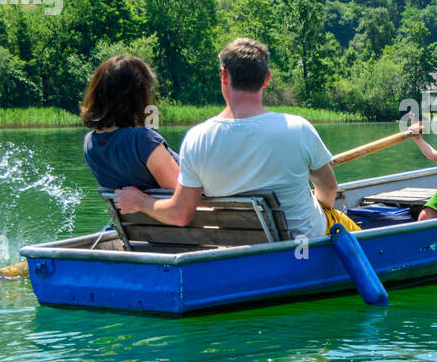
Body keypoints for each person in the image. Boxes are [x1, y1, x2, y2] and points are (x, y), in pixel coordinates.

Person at [114, 38, 340, 239]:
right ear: (266, 78)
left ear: (223, 75)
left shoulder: (196, 139)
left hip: (238, 248)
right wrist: (322, 205)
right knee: (341, 219)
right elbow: (329, 190)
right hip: (303, 245)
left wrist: (141, 201)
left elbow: (180, 214)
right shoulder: (298, 128)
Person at [81, 55, 179, 191]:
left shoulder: (90, 144)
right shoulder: (143, 140)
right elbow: (183, 200)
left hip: (135, 213)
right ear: (137, 96)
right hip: (196, 211)